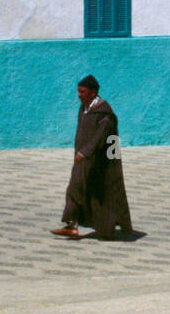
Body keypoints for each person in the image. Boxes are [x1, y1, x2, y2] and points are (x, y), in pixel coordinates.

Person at [52, 75, 133, 240]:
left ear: (93, 92)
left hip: (102, 162)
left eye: (82, 92)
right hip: (83, 159)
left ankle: (106, 231)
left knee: (104, 195)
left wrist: (84, 153)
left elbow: (100, 137)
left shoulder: (105, 114)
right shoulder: (84, 108)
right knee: (74, 188)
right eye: (78, 91)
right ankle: (71, 225)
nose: (78, 95)